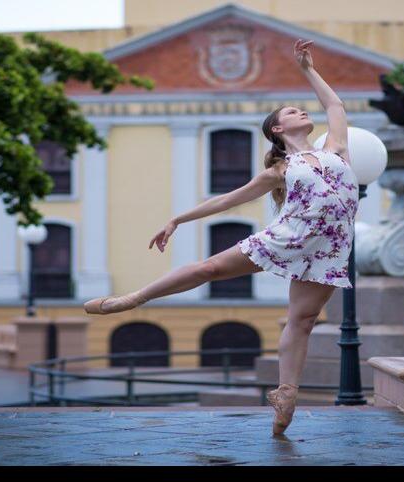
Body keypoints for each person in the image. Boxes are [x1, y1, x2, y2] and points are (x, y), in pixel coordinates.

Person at [84, 39, 359, 436]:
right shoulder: (280, 169)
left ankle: (286, 394)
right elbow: (227, 200)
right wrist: (178, 217)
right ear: (278, 130)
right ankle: (132, 299)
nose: (304, 111)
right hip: (289, 236)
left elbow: (336, 107)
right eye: (292, 111)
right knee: (211, 267)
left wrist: (307, 69)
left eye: (302, 108)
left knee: (302, 320)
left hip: (329, 249)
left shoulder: (336, 149)